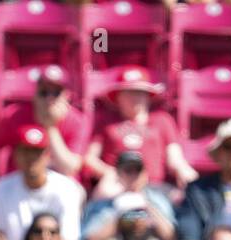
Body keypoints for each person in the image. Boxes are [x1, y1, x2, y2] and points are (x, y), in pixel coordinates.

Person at [0, 65, 88, 240]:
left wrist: (50, 126)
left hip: (58, 189)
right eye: (44, 92)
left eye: (56, 93)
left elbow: (70, 167)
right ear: (35, 93)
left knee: (75, 191)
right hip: (18, 187)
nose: (49, 99)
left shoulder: (77, 121)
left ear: (67, 95)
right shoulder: (14, 115)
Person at [83, 67, 198, 201]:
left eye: (140, 93)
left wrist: (187, 174)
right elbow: (90, 158)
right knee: (102, 200)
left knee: (186, 197)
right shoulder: (106, 122)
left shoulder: (162, 120)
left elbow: (175, 158)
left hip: (153, 186)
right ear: (118, 97)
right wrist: (110, 173)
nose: (135, 98)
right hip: (117, 183)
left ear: (148, 96)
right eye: (129, 93)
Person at [0, 124, 86, 240]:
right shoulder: (3, 187)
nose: (31, 158)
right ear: (16, 154)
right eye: (26, 151)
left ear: (47, 156)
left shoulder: (66, 188)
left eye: (37, 152)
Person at [80, 150, 178, 240]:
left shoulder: (158, 199)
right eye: (128, 171)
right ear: (118, 174)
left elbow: (172, 239)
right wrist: (120, 220)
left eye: (137, 170)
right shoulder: (103, 204)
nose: (133, 176)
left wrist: (147, 207)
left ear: (145, 173)